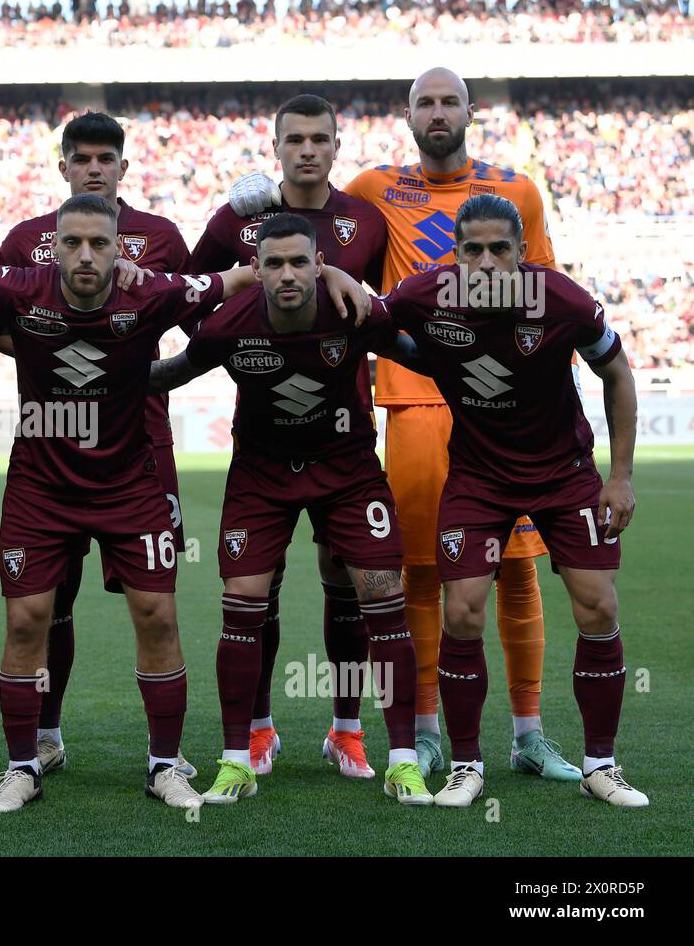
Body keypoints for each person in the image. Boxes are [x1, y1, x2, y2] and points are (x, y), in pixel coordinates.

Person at [0, 192, 373, 812]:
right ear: (55, 247)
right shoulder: (19, 288)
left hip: (130, 484)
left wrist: (332, 270)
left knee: (157, 615)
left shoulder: (152, 294)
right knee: (26, 621)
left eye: (99, 243)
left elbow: (241, 275)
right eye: (72, 242)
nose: (85, 254)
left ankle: (164, 765)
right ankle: (22, 767)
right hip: (40, 487)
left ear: (119, 247)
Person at [230, 67, 575, 783]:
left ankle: (529, 733)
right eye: (427, 102)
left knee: (515, 567)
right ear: (408, 114)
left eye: (451, 101)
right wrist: (247, 201)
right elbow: (308, 220)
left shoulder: (519, 191)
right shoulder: (375, 191)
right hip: (415, 398)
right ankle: (419, 732)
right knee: (413, 570)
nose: (439, 112)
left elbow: (546, 298)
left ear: (471, 112)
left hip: (509, 409)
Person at [152, 213, 432, 806]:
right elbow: (171, 372)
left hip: (348, 471)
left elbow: (422, 352)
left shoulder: (354, 311)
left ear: (319, 265)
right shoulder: (229, 322)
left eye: (299, 262)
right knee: (244, 601)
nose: (286, 273)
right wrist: (85, 372)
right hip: (262, 474)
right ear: (256, 268)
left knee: (382, 596)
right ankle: (237, 760)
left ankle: (401, 760)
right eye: (273, 263)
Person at [381, 193, 647, 807]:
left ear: (522, 254)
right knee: (464, 612)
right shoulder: (425, 296)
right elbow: (371, 322)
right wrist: (412, 351)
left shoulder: (563, 300)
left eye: (500, 249)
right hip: (479, 477)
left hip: (566, 473)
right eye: (471, 249)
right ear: (455, 254)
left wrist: (621, 475)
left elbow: (618, 373)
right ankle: (467, 766)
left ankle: (600, 766)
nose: (486, 261)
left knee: (598, 608)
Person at [188, 93, 389, 779]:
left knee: (349, 578)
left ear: (338, 145)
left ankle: (346, 729)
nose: (307, 149)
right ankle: (259, 730)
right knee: (255, 587)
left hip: (344, 436)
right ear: (275, 148)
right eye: (294, 139)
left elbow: (386, 313)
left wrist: (338, 275)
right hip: (264, 440)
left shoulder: (365, 221)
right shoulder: (239, 220)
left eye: (320, 138)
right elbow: (191, 300)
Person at [0, 110, 194, 778]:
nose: (95, 167)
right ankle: (45, 735)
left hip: (141, 443)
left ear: (124, 166)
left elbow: (199, 315)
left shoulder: (161, 237)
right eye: (82, 158)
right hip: (51, 445)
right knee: (49, 603)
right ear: (64, 168)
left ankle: (164, 756)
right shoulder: (29, 240)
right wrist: (44, 348)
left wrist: (138, 372)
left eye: (106, 157)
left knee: (154, 602)